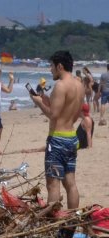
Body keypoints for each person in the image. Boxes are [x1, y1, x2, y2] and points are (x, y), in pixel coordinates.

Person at [29, 51, 82, 209]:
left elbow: (53, 115)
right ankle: (72, 220)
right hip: (71, 137)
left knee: (53, 183)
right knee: (70, 183)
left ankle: (54, 223)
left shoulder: (60, 85)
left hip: (57, 140)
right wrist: (46, 99)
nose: (50, 70)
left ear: (60, 66)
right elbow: (72, 112)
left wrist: (38, 102)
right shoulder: (79, 85)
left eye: (51, 66)